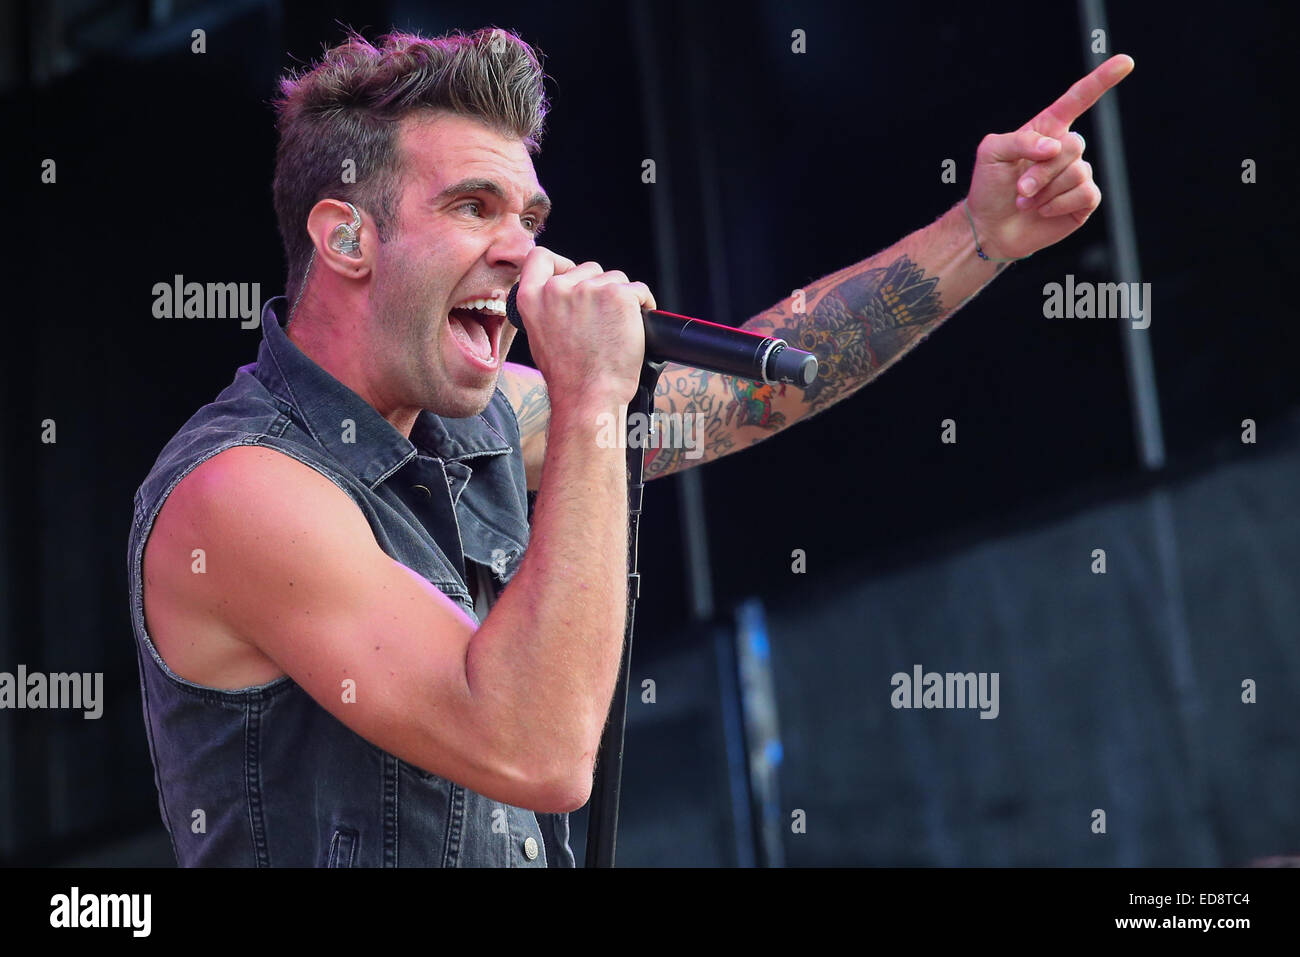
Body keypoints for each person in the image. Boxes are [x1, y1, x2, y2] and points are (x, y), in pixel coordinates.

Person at [127, 27, 1133, 866]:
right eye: (472, 206)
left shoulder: (478, 421)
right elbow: (532, 750)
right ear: (346, 238)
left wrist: (980, 233)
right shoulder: (245, 490)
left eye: (530, 215)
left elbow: (737, 397)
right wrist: (593, 400)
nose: (523, 248)